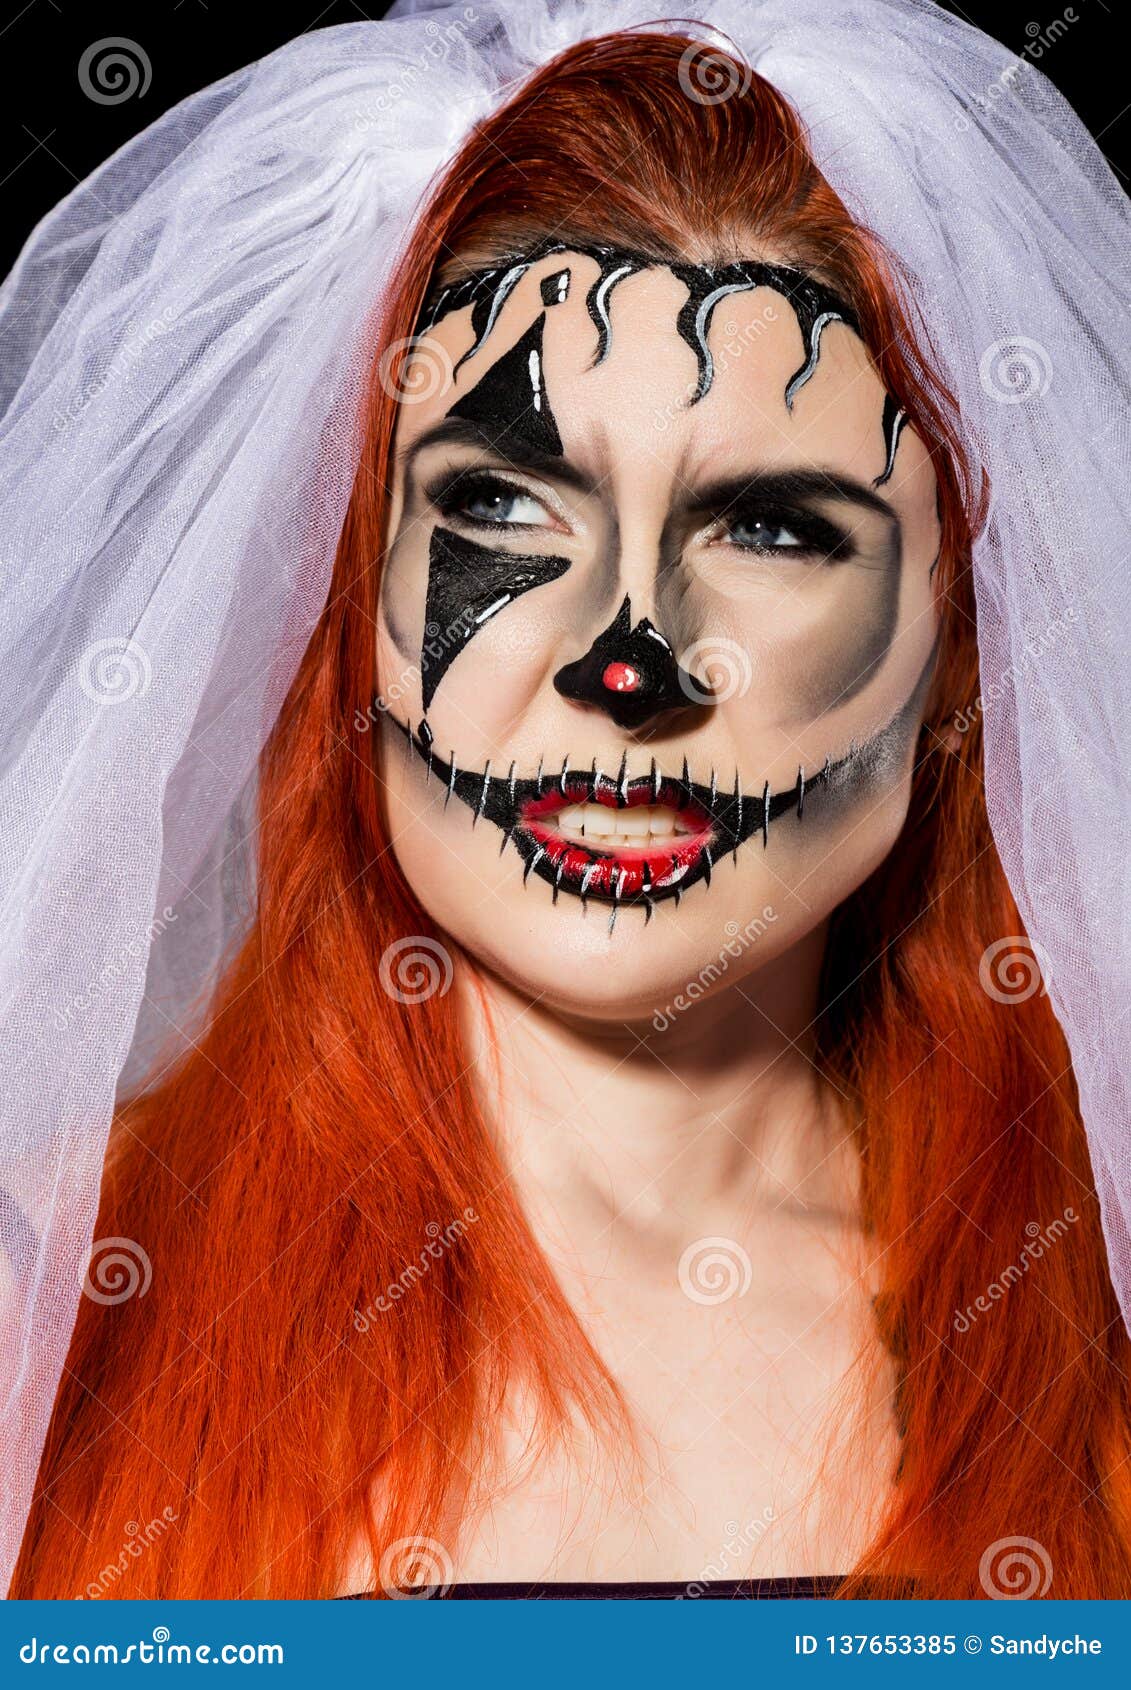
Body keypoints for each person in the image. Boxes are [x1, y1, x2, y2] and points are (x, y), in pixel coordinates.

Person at [4, 1, 1130, 1600]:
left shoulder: (1094, 1318)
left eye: (772, 526)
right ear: (349, 587)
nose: (625, 659)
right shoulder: (46, 1293)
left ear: (960, 627)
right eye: (500, 503)